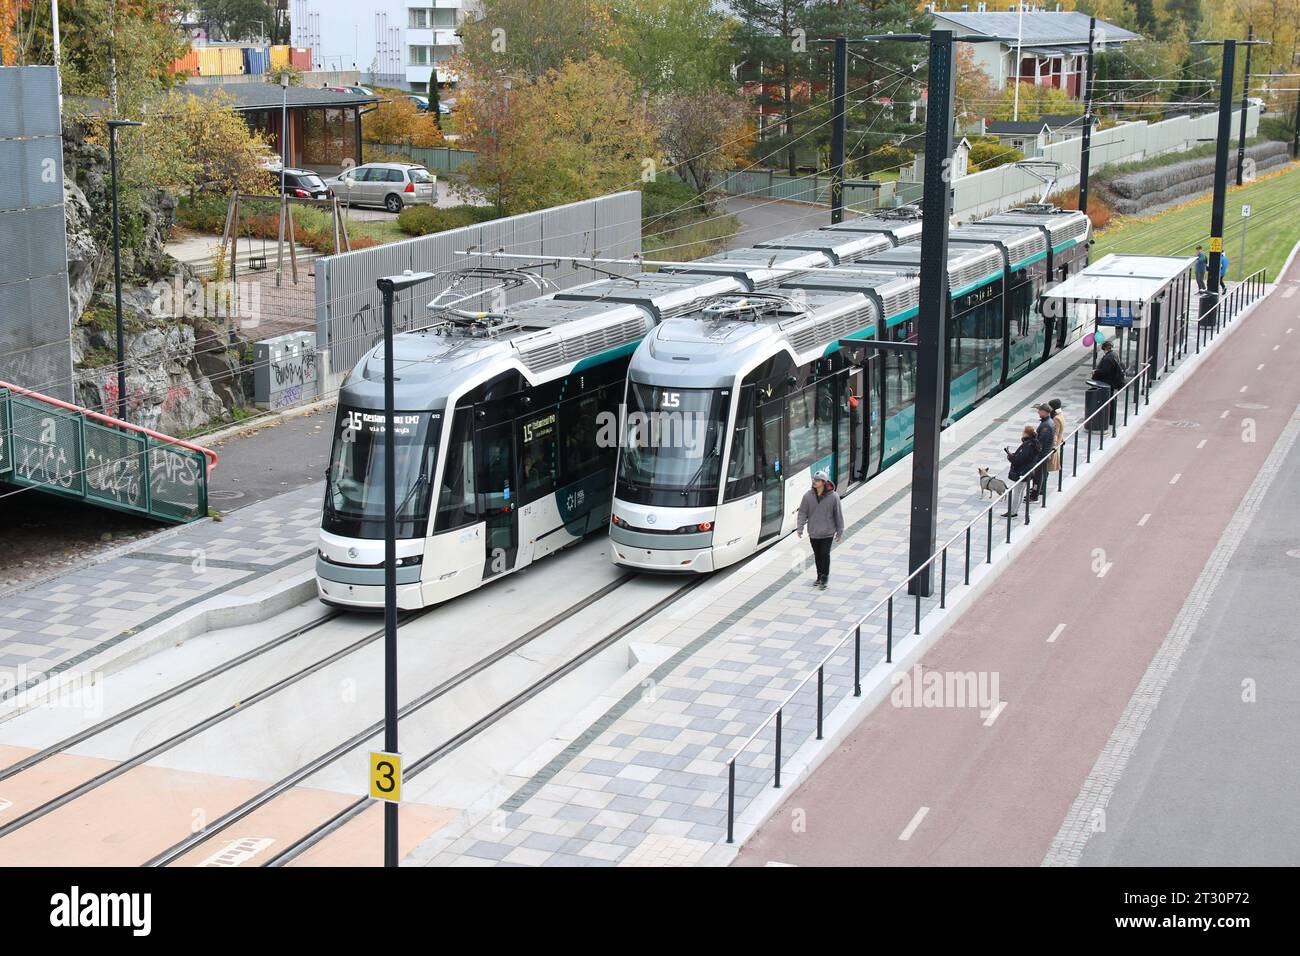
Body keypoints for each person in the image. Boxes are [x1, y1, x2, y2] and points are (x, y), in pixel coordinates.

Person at [797, 468, 844, 590]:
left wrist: (840, 531)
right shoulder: (808, 496)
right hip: (813, 532)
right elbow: (802, 512)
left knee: (824, 554)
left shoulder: (834, 497)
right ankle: (819, 576)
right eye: (814, 479)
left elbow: (838, 514)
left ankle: (824, 578)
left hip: (827, 533)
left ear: (823, 482)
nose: (814, 481)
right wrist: (800, 528)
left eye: (817, 480)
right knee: (817, 555)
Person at [1003, 426, 1040, 517]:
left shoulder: (1027, 445)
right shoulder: (1034, 444)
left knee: (1017, 492)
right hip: (1027, 471)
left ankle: (1013, 512)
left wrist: (1010, 457)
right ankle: (1014, 511)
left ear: (1027, 434)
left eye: (1023, 432)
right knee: (1020, 491)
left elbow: (1019, 460)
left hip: (1022, 472)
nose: (1022, 433)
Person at [1093, 340, 1126, 427]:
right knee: (1111, 399)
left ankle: (1110, 419)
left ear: (1104, 348)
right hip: (1112, 382)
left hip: (1107, 383)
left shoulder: (1108, 358)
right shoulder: (1114, 354)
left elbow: (1105, 371)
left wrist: (1095, 371)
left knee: (1109, 400)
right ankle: (1111, 418)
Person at [1032, 404, 1055, 499]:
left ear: (1045, 412)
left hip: (1042, 454)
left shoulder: (1046, 425)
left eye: (1039, 410)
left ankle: (1035, 494)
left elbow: (1040, 442)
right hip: (1045, 453)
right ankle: (1040, 490)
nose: (1038, 412)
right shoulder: (1049, 422)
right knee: (1043, 473)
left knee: (1038, 475)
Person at [1048, 398, 1065, 473]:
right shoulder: (1060, 415)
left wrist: (1053, 446)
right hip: (1058, 441)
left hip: (1053, 445)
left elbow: (1055, 433)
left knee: (1046, 468)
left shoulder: (1056, 419)